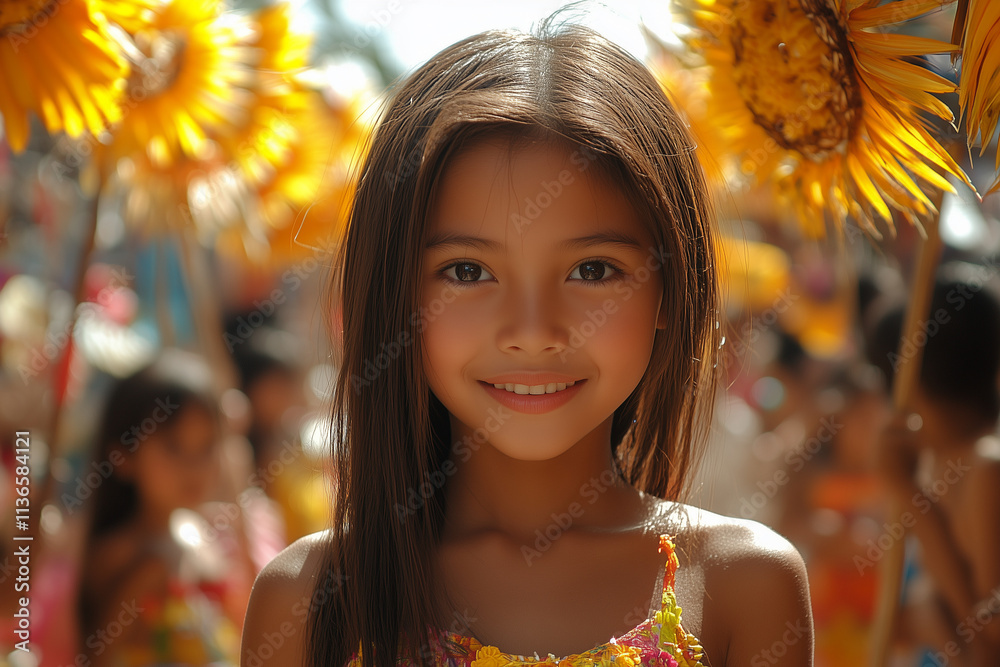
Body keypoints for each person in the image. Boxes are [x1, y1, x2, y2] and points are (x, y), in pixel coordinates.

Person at [242, 17, 813, 667]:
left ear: (670, 290)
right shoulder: (308, 600)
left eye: (593, 270)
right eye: (467, 271)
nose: (534, 332)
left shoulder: (746, 585)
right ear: (397, 298)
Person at [868, 266, 1000, 667]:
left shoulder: (985, 470)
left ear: (910, 388)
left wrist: (911, 498)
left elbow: (990, 636)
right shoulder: (948, 464)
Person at [77, 350, 242, 665]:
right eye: (174, 447)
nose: (194, 467)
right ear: (122, 457)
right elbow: (97, 656)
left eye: (207, 446)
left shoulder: (207, 533)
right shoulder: (120, 554)